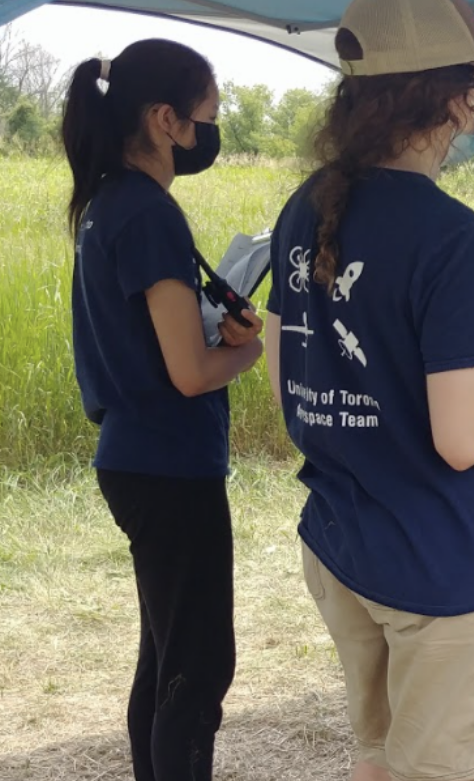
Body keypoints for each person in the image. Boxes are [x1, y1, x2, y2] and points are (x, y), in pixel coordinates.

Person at [263, 0, 474, 779]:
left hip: (342, 543)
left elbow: (284, 377)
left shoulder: (307, 206)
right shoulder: (452, 237)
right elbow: (464, 440)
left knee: (378, 749)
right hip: (441, 568)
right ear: (453, 96)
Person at [62, 40, 263, 781]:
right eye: (206, 116)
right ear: (163, 119)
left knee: (166, 657)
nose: (210, 132)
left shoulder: (106, 204)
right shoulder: (149, 214)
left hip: (135, 455)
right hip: (169, 464)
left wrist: (217, 332)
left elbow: (153, 343)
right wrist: (247, 349)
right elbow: (189, 373)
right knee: (197, 667)